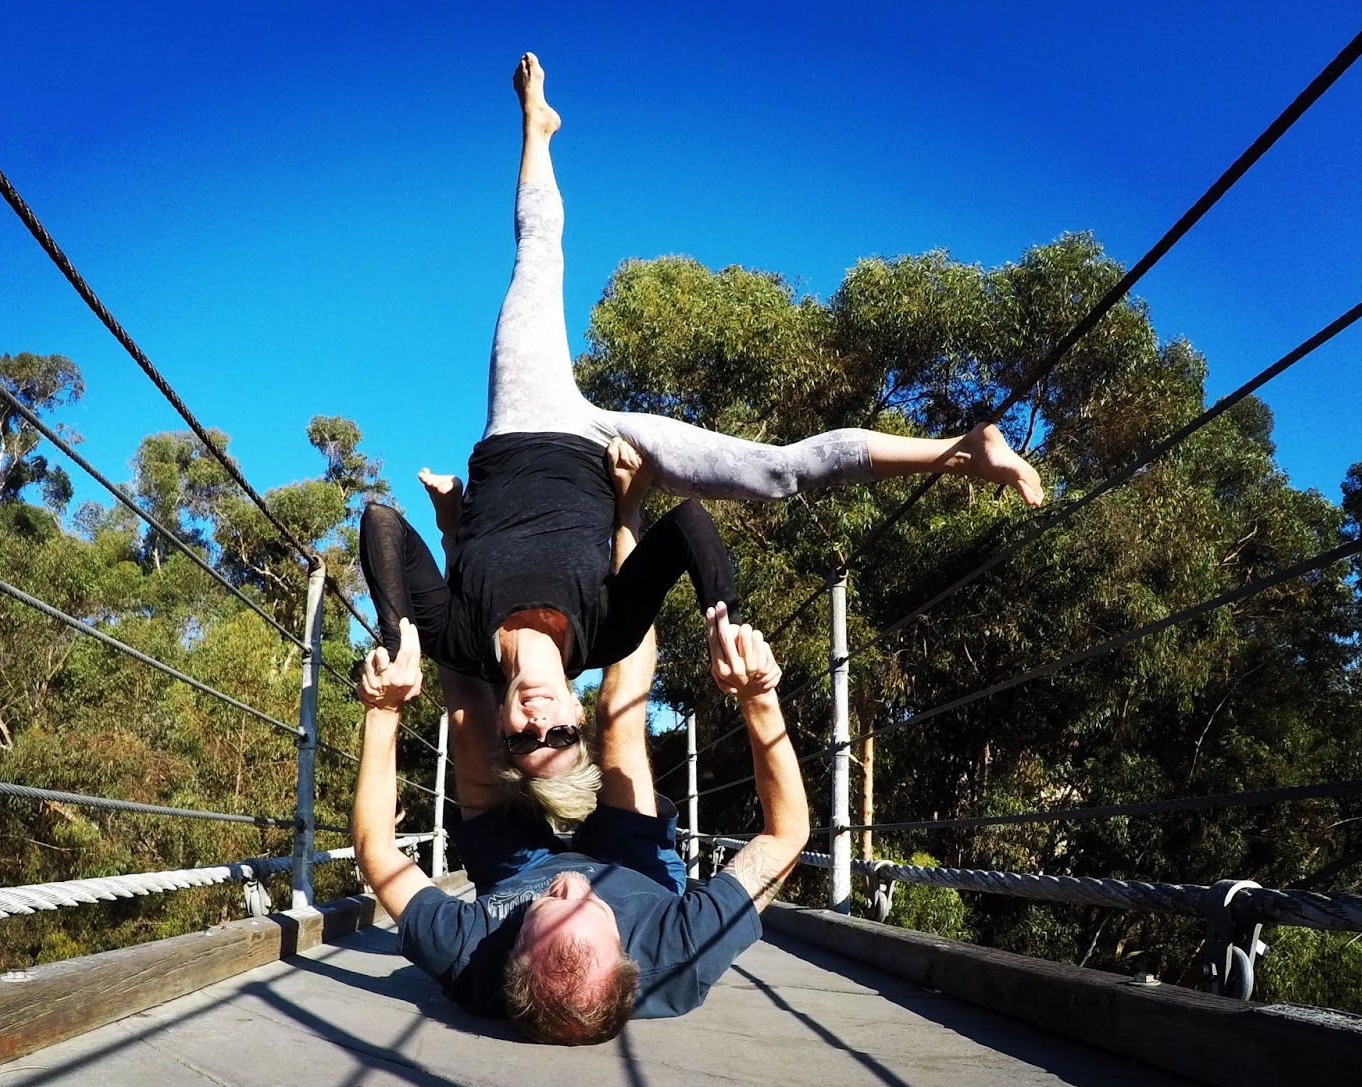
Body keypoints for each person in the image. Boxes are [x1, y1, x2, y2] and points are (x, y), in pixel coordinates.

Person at [358, 52, 1043, 801]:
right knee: (777, 476)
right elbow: (686, 523)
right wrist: (723, 613)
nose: (536, 722)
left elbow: (382, 523)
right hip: (607, 446)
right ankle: (960, 451)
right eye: (559, 737)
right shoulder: (606, 635)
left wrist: (402, 637)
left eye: (523, 742)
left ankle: (536, 124)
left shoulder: (461, 641)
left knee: (536, 255)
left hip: (524, 414)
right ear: (577, 721)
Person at [352, 596, 805, 1044]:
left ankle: (459, 588)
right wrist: (758, 696)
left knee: (470, 725)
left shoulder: (471, 956)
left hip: (516, 876)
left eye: (549, 908)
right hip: (637, 870)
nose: (571, 883)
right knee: (616, 719)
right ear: (630, 956)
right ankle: (631, 538)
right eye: (589, 906)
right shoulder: (679, 950)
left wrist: (383, 708)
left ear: (513, 955)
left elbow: (377, 851)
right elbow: (785, 835)